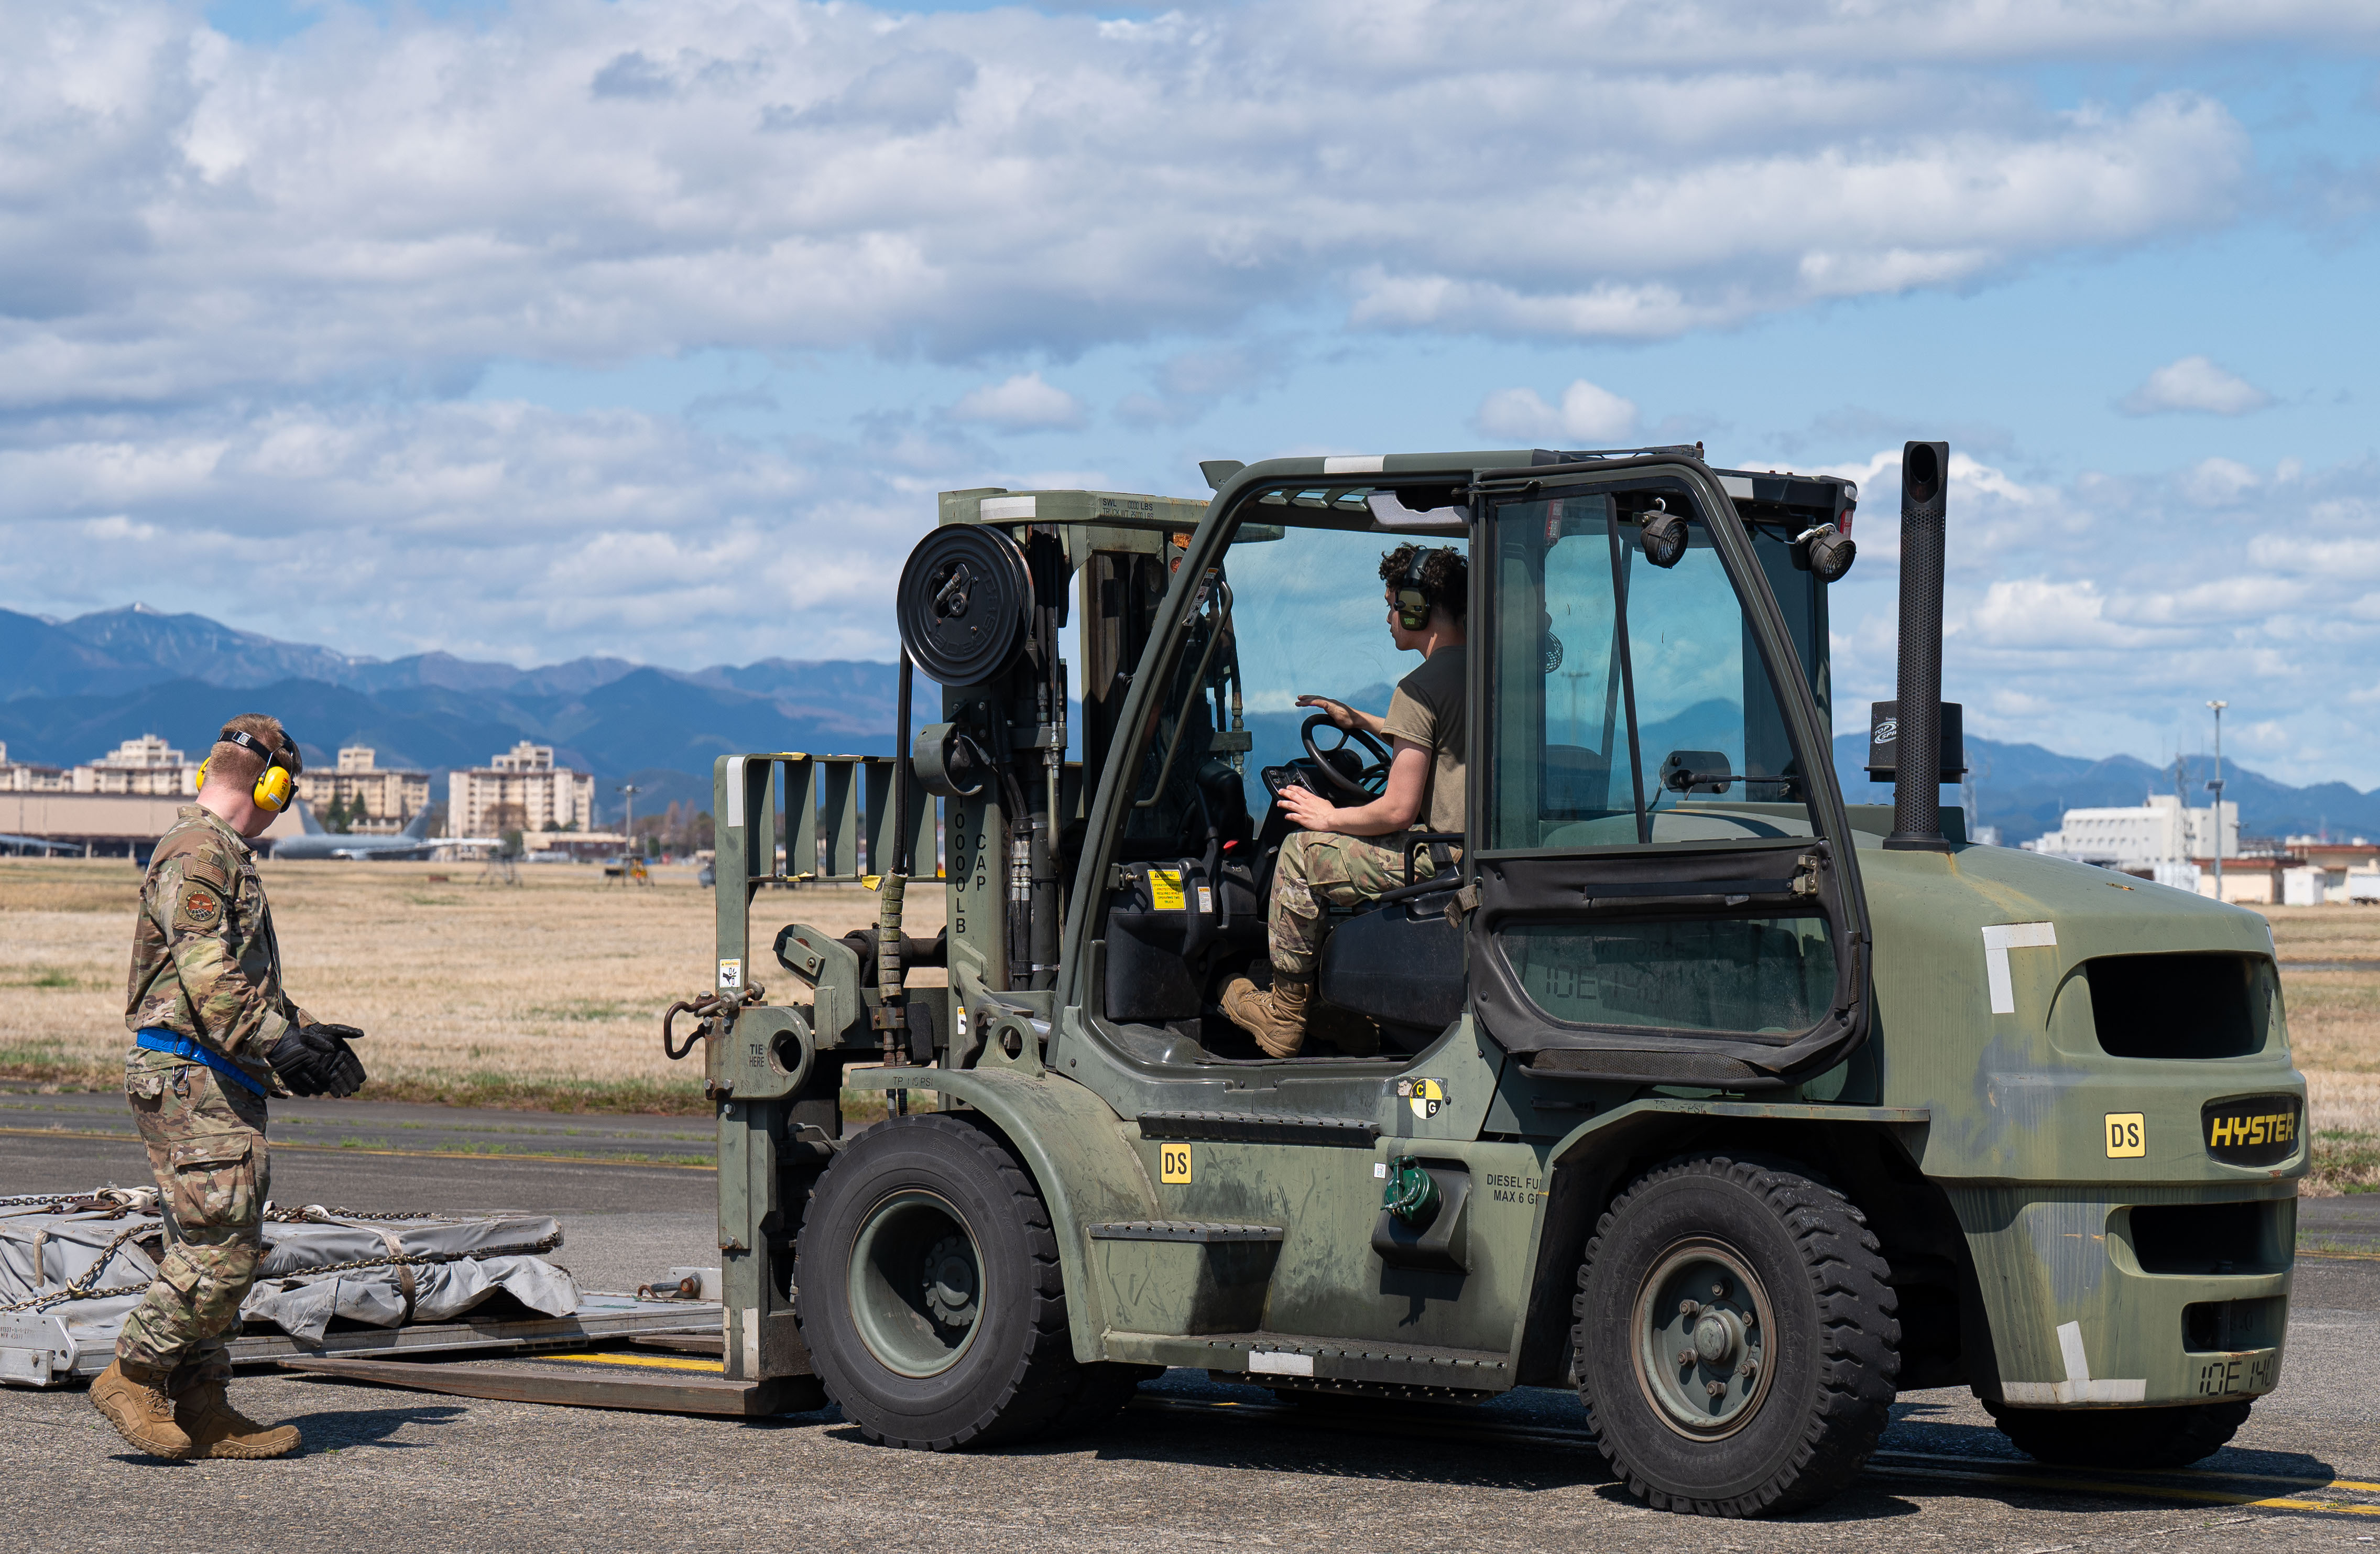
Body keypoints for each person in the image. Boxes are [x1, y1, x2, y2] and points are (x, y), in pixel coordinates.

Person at [89, 715, 369, 1461]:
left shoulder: (215, 852)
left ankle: (203, 1405)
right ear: (275, 787)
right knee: (224, 1251)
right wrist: (281, 1043)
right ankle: (133, 1372)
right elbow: (208, 979)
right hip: (191, 1075)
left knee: (210, 1240)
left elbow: (241, 983)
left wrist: (307, 1037)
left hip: (215, 1073)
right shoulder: (198, 851)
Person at [1222, 544, 1467, 1057]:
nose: (1389, 616)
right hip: (1477, 851)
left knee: (1301, 853)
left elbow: (1397, 810)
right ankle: (1342, 1008)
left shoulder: (1419, 687)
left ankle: (1285, 1014)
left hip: (1442, 860)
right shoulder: (1484, 673)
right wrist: (1362, 720)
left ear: (1418, 606)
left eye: (1393, 603)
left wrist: (1328, 815)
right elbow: (1433, 737)